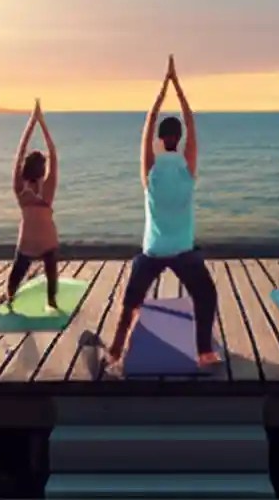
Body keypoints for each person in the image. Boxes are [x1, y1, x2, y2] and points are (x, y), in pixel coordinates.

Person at [105, 55, 221, 372]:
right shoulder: (188, 166)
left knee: (131, 302)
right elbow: (191, 121)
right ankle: (204, 353)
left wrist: (162, 89)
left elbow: (148, 123)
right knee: (206, 296)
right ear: (180, 138)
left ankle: (115, 352)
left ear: (159, 139)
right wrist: (177, 86)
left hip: (154, 250)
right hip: (183, 250)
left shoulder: (151, 169)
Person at [6, 100, 61, 312]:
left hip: (27, 240)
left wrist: (32, 123)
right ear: (42, 169)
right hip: (47, 238)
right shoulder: (48, 188)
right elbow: (53, 154)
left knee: (17, 273)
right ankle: (51, 302)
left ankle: (10, 298)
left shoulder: (20, 188)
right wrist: (42, 123)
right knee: (51, 271)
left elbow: (19, 154)